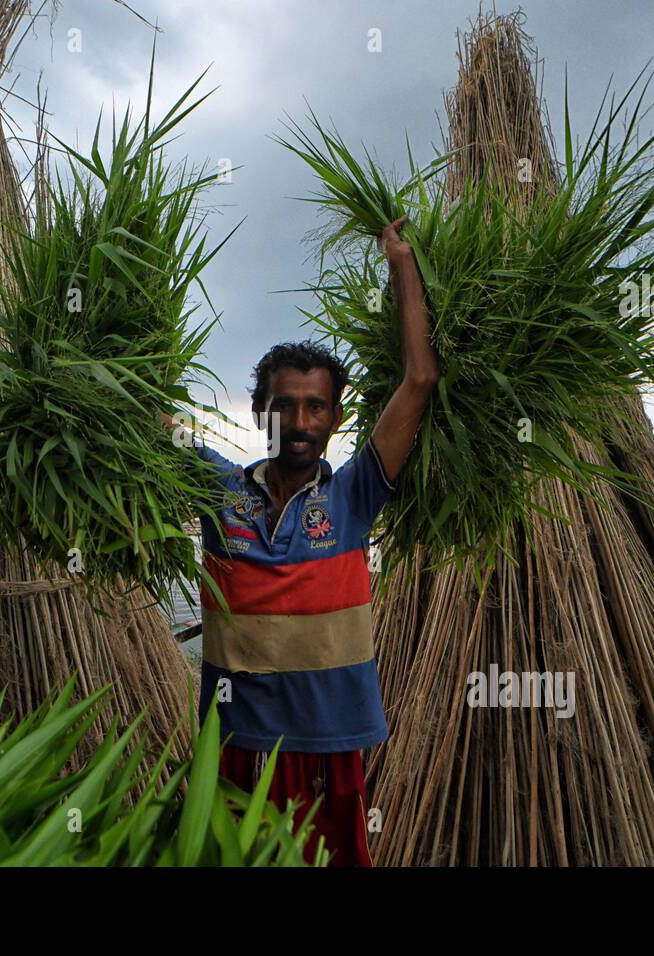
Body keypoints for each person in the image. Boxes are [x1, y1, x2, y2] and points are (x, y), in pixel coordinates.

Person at [164, 215, 439, 866]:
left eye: (316, 407)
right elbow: (149, 415)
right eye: (284, 405)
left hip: (328, 745)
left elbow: (420, 381)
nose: (300, 421)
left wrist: (401, 265)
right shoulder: (216, 487)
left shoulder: (354, 494)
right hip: (238, 743)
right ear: (262, 412)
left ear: (335, 417)